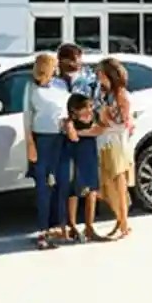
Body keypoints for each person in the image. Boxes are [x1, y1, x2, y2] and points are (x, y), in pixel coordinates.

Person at [23, 52, 71, 250]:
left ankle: (59, 227)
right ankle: (42, 230)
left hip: (62, 137)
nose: (56, 68)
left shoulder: (61, 85)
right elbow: (27, 116)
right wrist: (30, 145)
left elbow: (66, 108)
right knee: (44, 185)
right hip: (42, 139)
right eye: (53, 65)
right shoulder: (31, 87)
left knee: (61, 182)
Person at [53, 43, 99, 240]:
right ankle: (71, 225)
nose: (76, 62)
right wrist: (67, 123)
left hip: (87, 133)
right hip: (64, 136)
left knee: (90, 180)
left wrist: (89, 122)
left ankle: (90, 226)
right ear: (61, 60)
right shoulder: (54, 81)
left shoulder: (89, 78)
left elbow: (97, 103)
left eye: (78, 58)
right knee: (70, 182)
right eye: (71, 59)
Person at [96, 57, 134, 240]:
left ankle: (124, 221)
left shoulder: (121, 95)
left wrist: (104, 114)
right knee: (106, 186)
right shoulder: (106, 93)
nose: (99, 78)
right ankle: (120, 220)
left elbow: (122, 121)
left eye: (101, 74)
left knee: (118, 184)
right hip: (106, 142)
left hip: (116, 144)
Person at [62, 92, 105, 242]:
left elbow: (99, 130)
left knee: (92, 189)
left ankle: (89, 226)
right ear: (74, 110)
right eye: (85, 108)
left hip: (90, 154)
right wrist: (78, 131)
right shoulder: (68, 122)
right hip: (75, 155)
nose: (89, 111)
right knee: (74, 190)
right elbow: (72, 136)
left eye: (90, 107)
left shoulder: (94, 118)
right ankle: (72, 225)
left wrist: (80, 132)